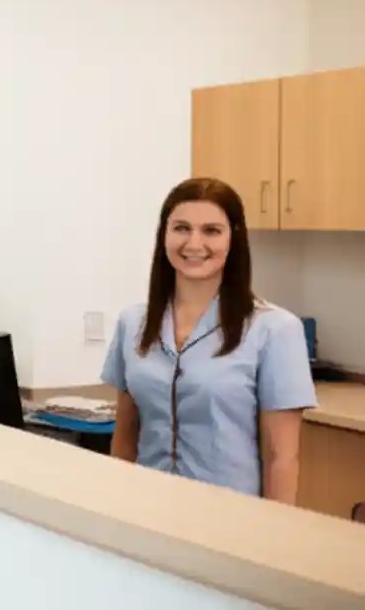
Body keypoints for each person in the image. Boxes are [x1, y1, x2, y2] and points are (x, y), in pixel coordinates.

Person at [102, 178, 317, 503]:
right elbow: (126, 434)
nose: (194, 243)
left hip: (228, 517)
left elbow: (281, 458)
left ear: (234, 238)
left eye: (212, 231)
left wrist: (276, 537)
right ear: (164, 235)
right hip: (146, 506)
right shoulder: (133, 322)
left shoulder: (274, 329)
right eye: (182, 228)